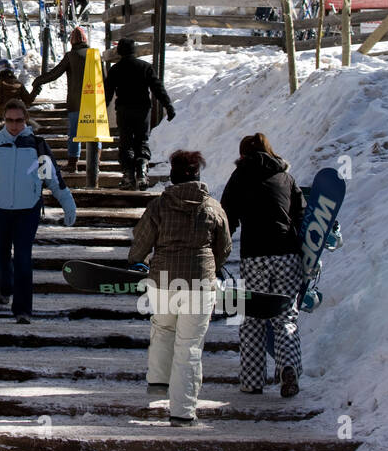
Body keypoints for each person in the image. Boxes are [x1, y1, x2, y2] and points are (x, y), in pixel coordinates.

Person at [127, 149, 232, 426]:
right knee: (189, 346)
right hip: (200, 284)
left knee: (163, 328)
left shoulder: (159, 206)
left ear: (173, 175)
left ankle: (159, 382)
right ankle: (183, 412)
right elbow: (224, 248)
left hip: (164, 281)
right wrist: (211, 266)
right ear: (198, 174)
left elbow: (141, 241)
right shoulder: (213, 207)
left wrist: (136, 260)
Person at [0, 99, 76, 324]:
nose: (14, 125)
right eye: (10, 120)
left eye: (19, 120)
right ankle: (5, 287)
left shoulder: (37, 145)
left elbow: (53, 178)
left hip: (28, 210)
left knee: (23, 257)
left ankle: (23, 310)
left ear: (26, 120)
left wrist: (68, 204)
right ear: (4, 120)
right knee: (0, 253)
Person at [220, 133, 304, 398]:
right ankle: (288, 367)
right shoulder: (286, 178)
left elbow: (226, 217)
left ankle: (252, 380)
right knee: (285, 315)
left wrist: (219, 253)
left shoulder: (239, 177)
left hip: (255, 256)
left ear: (242, 155)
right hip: (287, 255)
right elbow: (301, 215)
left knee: (251, 318)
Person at [103, 38, 175, 190]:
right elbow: (157, 88)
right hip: (142, 110)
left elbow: (107, 93)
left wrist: (102, 110)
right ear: (133, 50)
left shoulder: (115, 69)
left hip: (123, 110)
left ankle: (128, 176)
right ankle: (142, 172)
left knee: (126, 142)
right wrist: (168, 105)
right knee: (142, 140)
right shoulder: (145, 67)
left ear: (120, 51)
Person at [27, 27, 95, 174]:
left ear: (72, 41)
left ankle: (72, 163)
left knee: (74, 134)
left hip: (75, 103)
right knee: (95, 135)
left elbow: (55, 73)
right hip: (94, 103)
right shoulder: (94, 55)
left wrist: (38, 80)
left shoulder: (71, 56)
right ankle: (95, 163)